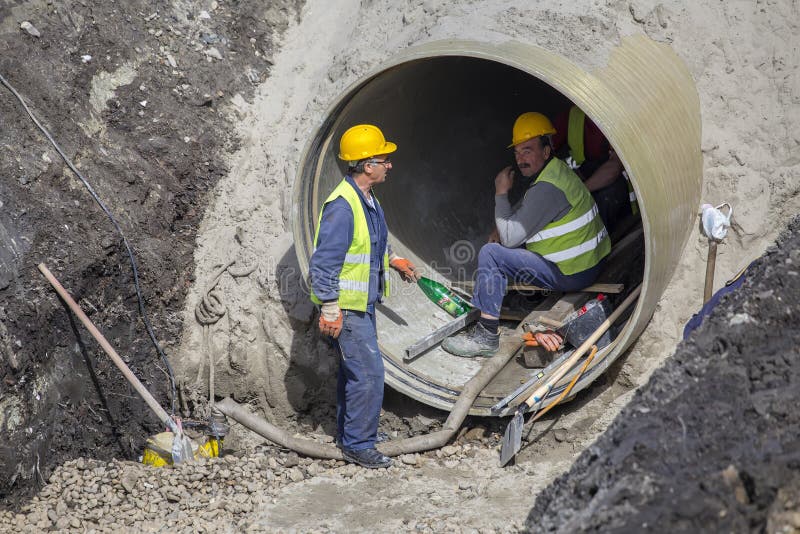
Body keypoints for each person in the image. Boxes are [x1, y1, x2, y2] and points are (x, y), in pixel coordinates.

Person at [443, 112, 611, 358]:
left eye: (528, 150)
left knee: (492, 254)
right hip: (594, 260)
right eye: (517, 152)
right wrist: (501, 225)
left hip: (574, 273)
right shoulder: (557, 171)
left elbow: (511, 238)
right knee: (514, 242)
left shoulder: (546, 188)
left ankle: (486, 336)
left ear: (546, 150)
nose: (521, 159)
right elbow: (529, 208)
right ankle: (526, 297)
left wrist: (501, 193)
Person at [309, 124, 419, 469]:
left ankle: (353, 433)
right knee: (369, 373)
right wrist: (330, 308)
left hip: (363, 304)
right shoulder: (342, 207)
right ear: (367, 165)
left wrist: (394, 259)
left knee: (353, 371)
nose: (390, 165)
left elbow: (371, 241)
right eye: (385, 159)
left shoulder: (367, 199)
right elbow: (324, 262)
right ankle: (358, 444)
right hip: (347, 307)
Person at [552, 105, 638, 235]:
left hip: (618, 185)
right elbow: (544, 151)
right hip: (586, 174)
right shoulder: (573, 116)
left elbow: (614, 168)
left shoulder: (620, 117)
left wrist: (581, 191)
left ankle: (599, 238)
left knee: (607, 196)